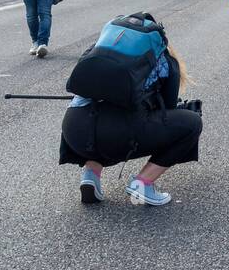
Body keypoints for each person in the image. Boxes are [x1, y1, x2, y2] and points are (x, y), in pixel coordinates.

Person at [60, 18, 203, 207]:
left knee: (91, 110)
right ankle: (143, 183)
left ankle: (90, 175)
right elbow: (167, 106)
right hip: (117, 135)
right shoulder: (162, 57)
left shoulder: (98, 49)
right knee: (192, 123)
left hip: (74, 131)